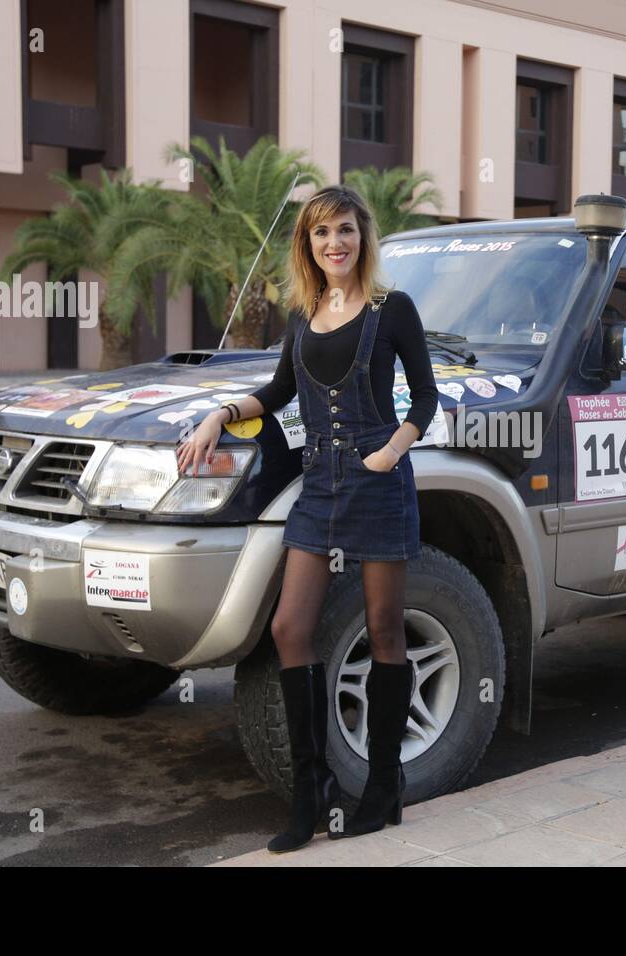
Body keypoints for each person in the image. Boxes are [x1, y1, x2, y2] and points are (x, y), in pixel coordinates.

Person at [177, 184, 438, 852]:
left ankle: (384, 783)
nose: (335, 244)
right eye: (322, 234)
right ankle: (312, 789)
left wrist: (390, 454)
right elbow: (276, 393)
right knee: (291, 628)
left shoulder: (392, 308)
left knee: (384, 627)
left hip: (378, 482)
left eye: (345, 231)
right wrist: (218, 414)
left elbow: (426, 400)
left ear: (362, 236)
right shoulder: (304, 316)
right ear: (308, 245)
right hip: (318, 486)